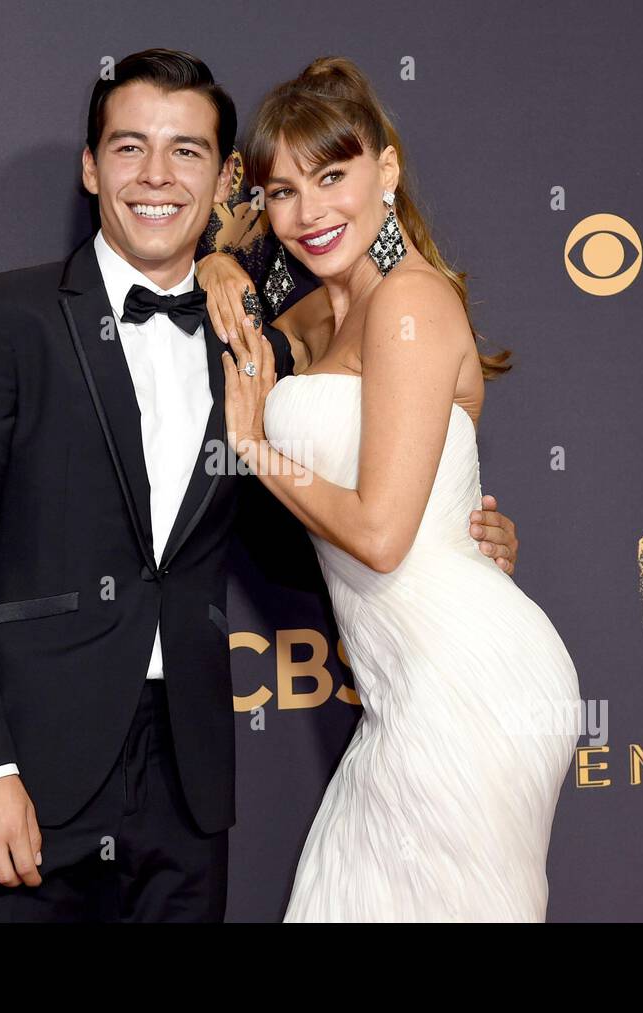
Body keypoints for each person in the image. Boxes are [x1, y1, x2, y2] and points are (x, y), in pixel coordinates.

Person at [0, 48, 522, 923]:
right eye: (129, 148)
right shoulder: (2, 316)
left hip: (187, 789)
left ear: (224, 175)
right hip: (26, 774)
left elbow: (290, 538)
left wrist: (447, 539)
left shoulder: (255, 340)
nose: (157, 175)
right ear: (90, 166)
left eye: (186, 151)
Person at [214, 56, 581, 921]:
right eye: (283, 190)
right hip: (399, 692)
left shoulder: (413, 304)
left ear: (388, 169)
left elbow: (382, 533)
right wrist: (217, 265)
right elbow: (225, 260)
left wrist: (252, 446)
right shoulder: (316, 314)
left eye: (333, 176)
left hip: (472, 687)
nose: (308, 213)